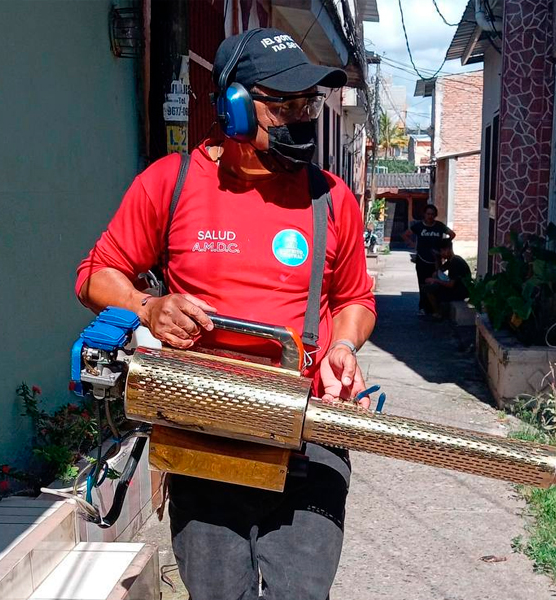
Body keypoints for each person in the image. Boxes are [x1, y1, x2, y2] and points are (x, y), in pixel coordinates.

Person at [75, 28, 376, 600]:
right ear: (233, 107)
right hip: (204, 436)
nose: (300, 119)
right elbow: (95, 274)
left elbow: (355, 299)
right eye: (282, 105)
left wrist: (345, 346)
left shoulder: (331, 197)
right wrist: (147, 304)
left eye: (306, 105)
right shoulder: (172, 183)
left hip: (308, 435)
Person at [402, 204, 455, 316]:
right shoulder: (418, 226)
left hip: (436, 261)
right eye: (428, 214)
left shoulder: (440, 226)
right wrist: (412, 244)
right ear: (424, 215)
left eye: (432, 214)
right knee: (422, 284)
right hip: (422, 260)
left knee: (435, 284)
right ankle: (423, 307)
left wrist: (445, 245)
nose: (430, 216)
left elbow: (452, 234)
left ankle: (434, 308)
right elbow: (405, 235)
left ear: (435, 215)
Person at [423, 238, 472, 319]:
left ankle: (438, 313)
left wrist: (435, 280)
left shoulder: (456, 262)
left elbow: (451, 285)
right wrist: (437, 259)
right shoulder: (451, 261)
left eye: (441, 252)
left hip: (460, 291)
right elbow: (438, 272)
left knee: (430, 291)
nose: (441, 254)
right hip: (456, 288)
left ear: (447, 249)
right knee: (429, 286)